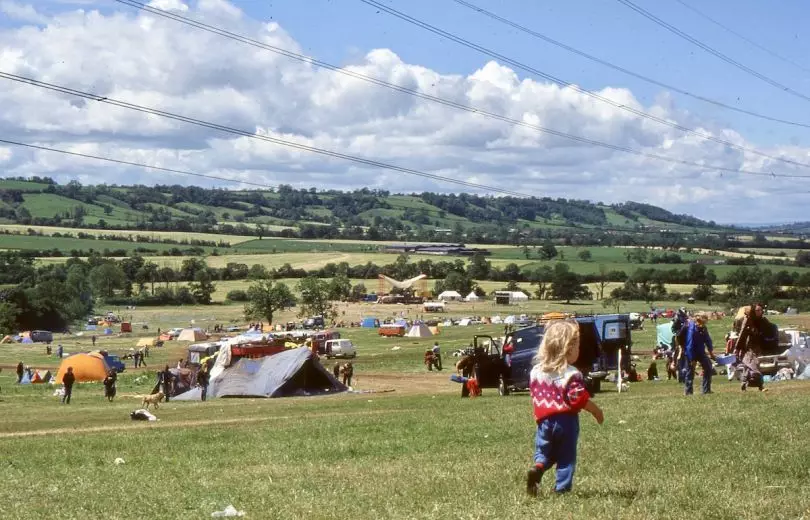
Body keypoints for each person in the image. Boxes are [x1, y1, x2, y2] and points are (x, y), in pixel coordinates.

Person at [526, 320, 604, 496]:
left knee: (545, 451)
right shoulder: (571, 373)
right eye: (577, 347)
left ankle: (538, 468)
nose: (578, 350)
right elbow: (578, 400)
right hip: (565, 421)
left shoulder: (536, 372)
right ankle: (562, 489)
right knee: (566, 456)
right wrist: (596, 411)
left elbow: (535, 395)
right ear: (568, 349)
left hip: (544, 420)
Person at [678, 313, 716, 396]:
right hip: (689, 351)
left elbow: (707, 340)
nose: (704, 324)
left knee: (708, 367)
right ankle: (688, 392)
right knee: (690, 371)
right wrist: (692, 359)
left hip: (700, 351)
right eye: (703, 322)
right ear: (698, 321)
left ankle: (706, 390)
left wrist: (711, 353)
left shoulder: (703, 328)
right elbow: (689, 344)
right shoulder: (690, 328)